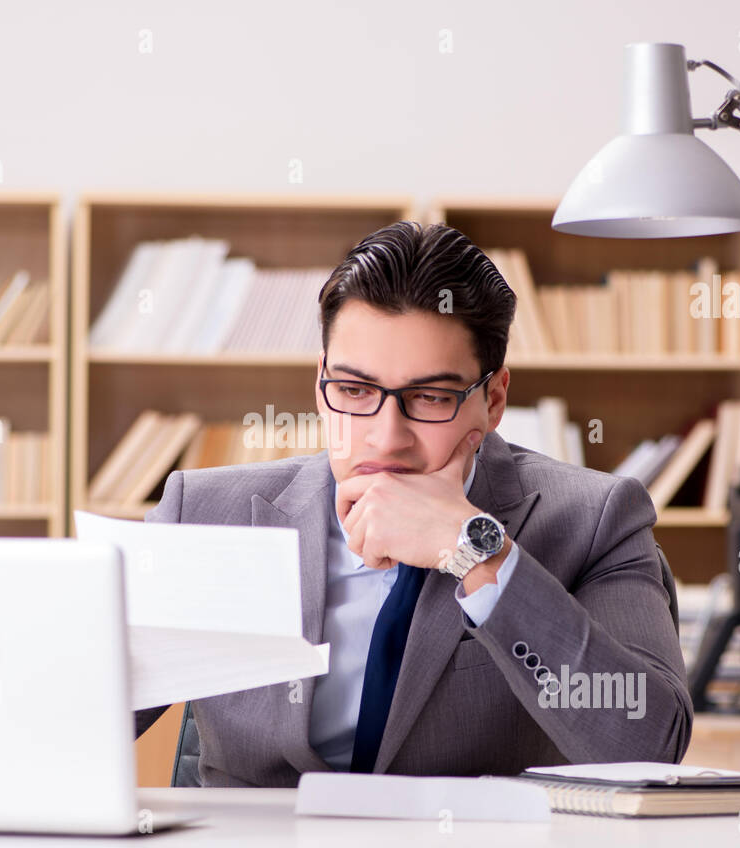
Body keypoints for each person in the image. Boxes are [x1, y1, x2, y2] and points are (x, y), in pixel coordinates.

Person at [135, 221, 693, 787]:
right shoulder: (206, 515)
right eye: (354, 391)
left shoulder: (594, 521)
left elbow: (648, 745)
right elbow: (67, 719)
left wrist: (480, 555)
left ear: (493, 400)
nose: (386, 437)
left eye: (430, 397)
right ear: (321, 386)